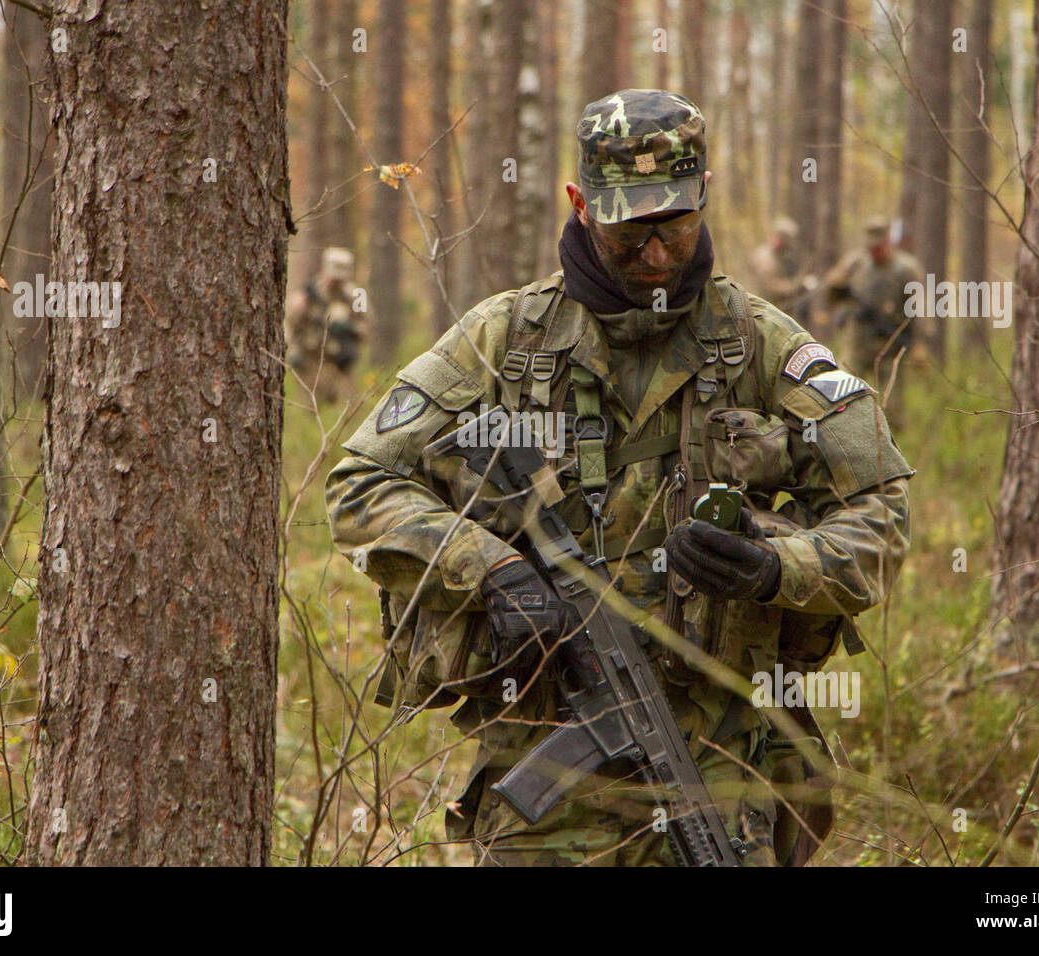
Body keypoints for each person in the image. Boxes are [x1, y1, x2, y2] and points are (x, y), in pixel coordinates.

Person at [325, 89, 914, 866]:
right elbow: (361, 483)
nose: (657, 250)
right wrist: (489, 570)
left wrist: (779, 566)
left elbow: (882, 511)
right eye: (629, 225)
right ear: (578, 202)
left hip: (723, 762)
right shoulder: (506, 338)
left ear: (703, 195)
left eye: (675, 220)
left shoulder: (762, 345)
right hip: (544, 766)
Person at [824, 217, 924, 424]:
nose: (874, 252)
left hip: (890, 343)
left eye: (878, 247)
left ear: (888, 242)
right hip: (857, 343)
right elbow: (832, 297)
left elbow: (920, 310)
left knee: (892, 409)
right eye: (871, 248)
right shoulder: (855, 263)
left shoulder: (906, 269)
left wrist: (919, 344)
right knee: (842, 397)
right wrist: (834, 285)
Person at [286, 246, 364, 402]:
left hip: (342, 365)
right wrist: (292, 351)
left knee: (347, 410)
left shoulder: (357, 296)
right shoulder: (307, 294)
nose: (337, 282)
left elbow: (366, 328)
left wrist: (349, 328)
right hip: (311, 366)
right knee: (310, 410)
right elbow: (289, 325)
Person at [747, 216, 817, 321]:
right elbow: (770, 287)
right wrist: (798, 285)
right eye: (786, 242)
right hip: (762, 315)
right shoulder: (765, 258)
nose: (787, 248)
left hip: (769, 312)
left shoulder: (776, 256)